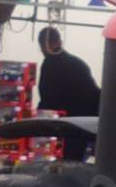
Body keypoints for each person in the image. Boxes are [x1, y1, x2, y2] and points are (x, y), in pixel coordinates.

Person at [37, 26, 100, 162]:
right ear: (60, 41)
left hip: (61, 129)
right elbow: (94, 95)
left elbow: (47, 100)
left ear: (43, 45)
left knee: (58, 168)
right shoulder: (78, 64)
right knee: (73, 166)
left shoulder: (49, 65)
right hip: (82, 128)